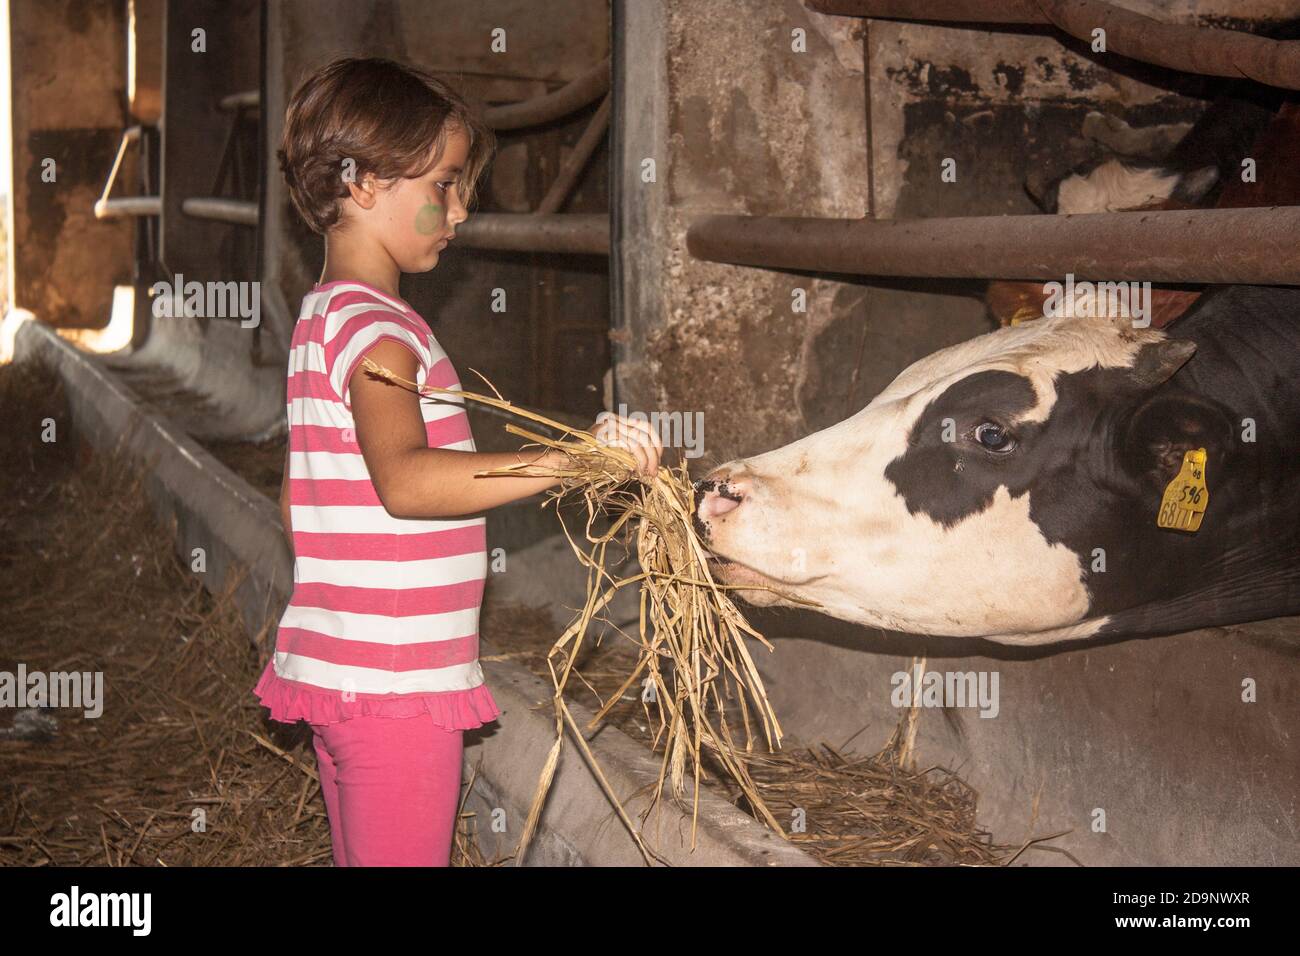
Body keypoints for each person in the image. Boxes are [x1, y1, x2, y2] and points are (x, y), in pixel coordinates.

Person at [253, 57, 661, 866]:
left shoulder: (320, 320)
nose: (461, 210)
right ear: (363, 184)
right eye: (444, 184)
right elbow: (405, 482)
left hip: (346, 673)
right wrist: (573, 460)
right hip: (396, 690)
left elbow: (298, 505)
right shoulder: (382, 334)